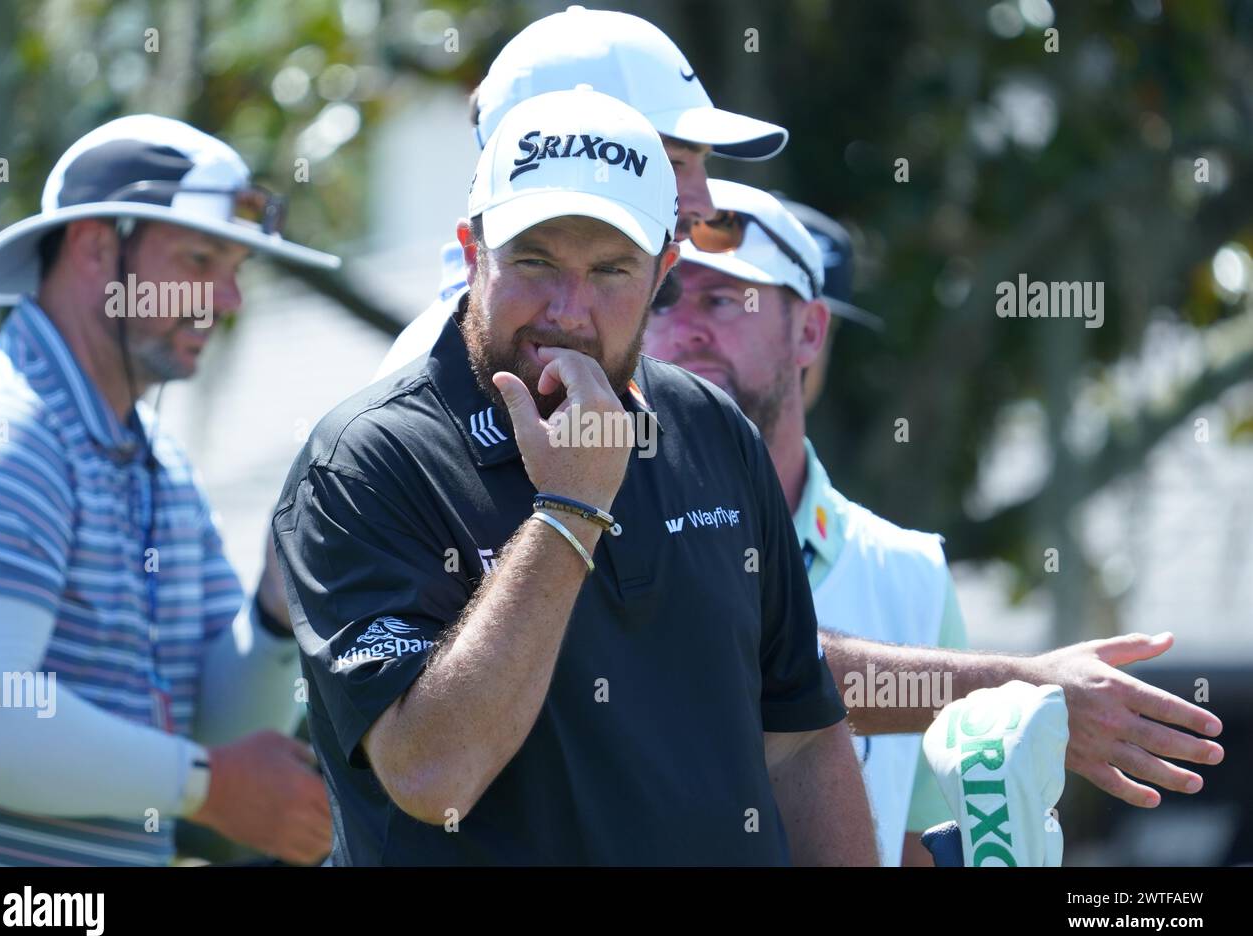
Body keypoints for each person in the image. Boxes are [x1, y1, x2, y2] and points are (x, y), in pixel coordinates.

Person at [273, 88, 878, 865]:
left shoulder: (709, 427)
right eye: (534, 261)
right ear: (470, 252)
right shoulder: (366, 461)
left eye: (610, 270)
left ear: (663, 268)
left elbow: (798, 737)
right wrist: (569, 509)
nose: (568, 309)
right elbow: (434, 775)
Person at [643, 180, 1227, 862]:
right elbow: (743, 659)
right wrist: (1028, 685)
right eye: (666, 300)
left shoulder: (909, 572)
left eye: (722, 299)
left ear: (808, 331)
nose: (686, 329)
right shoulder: (601, 527)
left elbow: (917, 842)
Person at [0, 114, 337, 866]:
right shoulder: (2, 428)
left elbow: (208, 731)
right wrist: (208, 787)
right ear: (96, 246)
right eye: (200, 260)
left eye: (234, 270)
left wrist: (275, 610)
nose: (226, 301)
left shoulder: (154, 461)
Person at [375, 5, 786, 380]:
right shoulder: (436, 376)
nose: (705, 205)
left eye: (702, 163)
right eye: (672, 164)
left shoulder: (587, 350)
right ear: (564, 150)